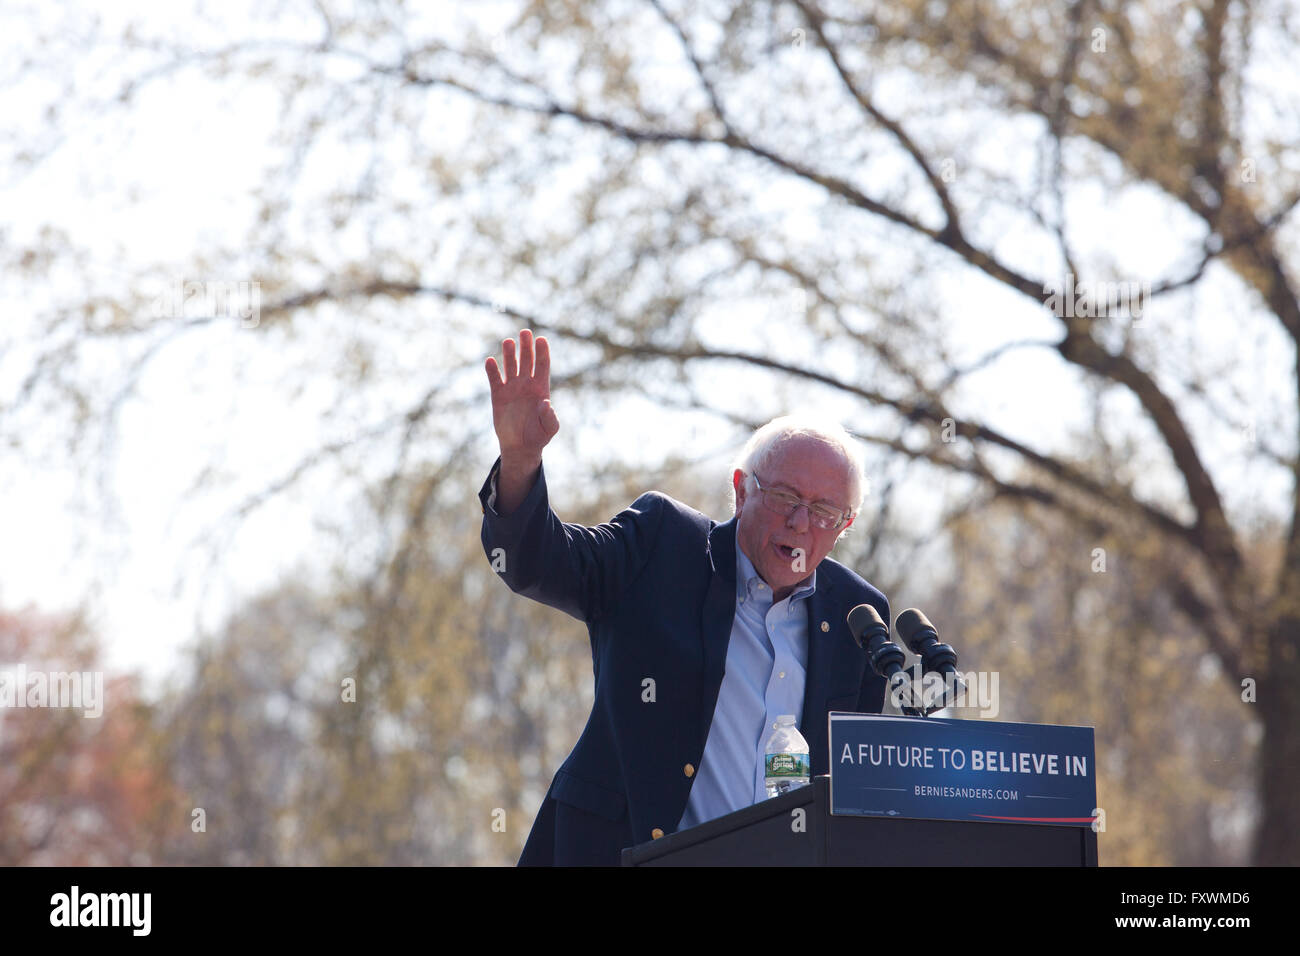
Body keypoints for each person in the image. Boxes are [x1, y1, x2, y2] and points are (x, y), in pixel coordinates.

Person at [480, 329, 890, 866]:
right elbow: (539, 562)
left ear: (846, 525)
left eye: (824, 512)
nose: (800, 522)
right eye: (786, 496)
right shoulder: (664, 543)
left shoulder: (857, 616)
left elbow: (851, 800)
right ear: (742, 489)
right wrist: (520, 461)